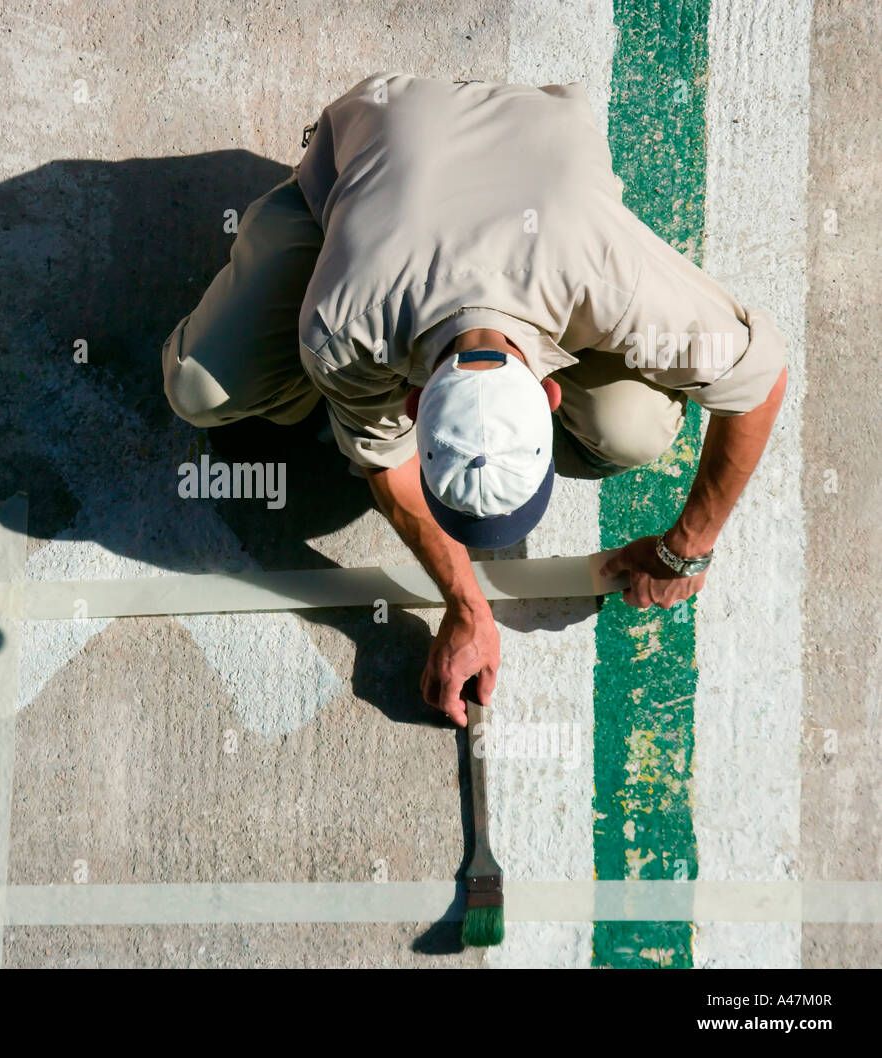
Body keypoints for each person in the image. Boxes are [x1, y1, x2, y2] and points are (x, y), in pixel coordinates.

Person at [161, 74, 787, 726]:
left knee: (628, 431)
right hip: (381, 139)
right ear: (547, 392)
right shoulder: (344, 325)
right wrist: (465, 603)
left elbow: (762, 377)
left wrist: (686, 548)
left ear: (413, 404)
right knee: (196, 387)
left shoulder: (608, 276)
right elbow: (384, 464)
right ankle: (330, 215)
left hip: (535, 170)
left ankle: (370, 225)